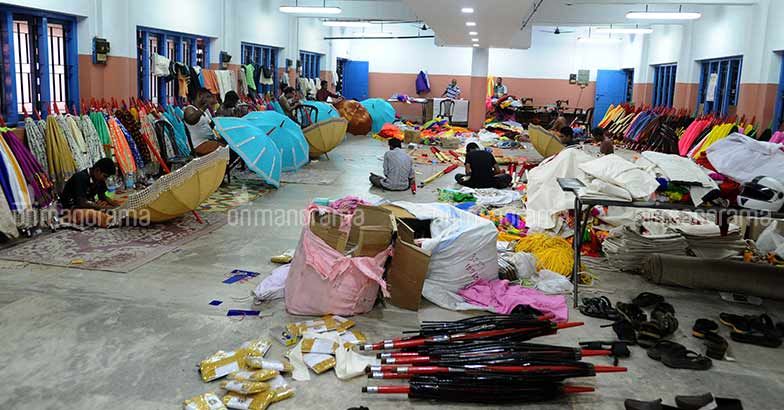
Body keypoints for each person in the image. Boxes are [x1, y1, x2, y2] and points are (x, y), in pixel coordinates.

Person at [59, 158, 119, 228]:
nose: (105, 179)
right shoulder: (80, 177)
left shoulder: (99, 179)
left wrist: (115, 205)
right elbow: (81, 202)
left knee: (106, 205)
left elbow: (102, 196)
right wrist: (103, 208)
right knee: (94, 214)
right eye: (105, 176)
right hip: (72, 208)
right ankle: (108, 221)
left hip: (87, 204)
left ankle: (106, 216)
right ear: (97, 170)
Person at [184, 89, 221, 156]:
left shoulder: (206, 111)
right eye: (208, 97)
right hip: (198, 145)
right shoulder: (189, 109)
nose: (210, 99)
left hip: (208, 141)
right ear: (200, 95)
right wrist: (204, 107)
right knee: (224, 148)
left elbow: (212, 125)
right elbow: (191, 120)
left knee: (228, 144)